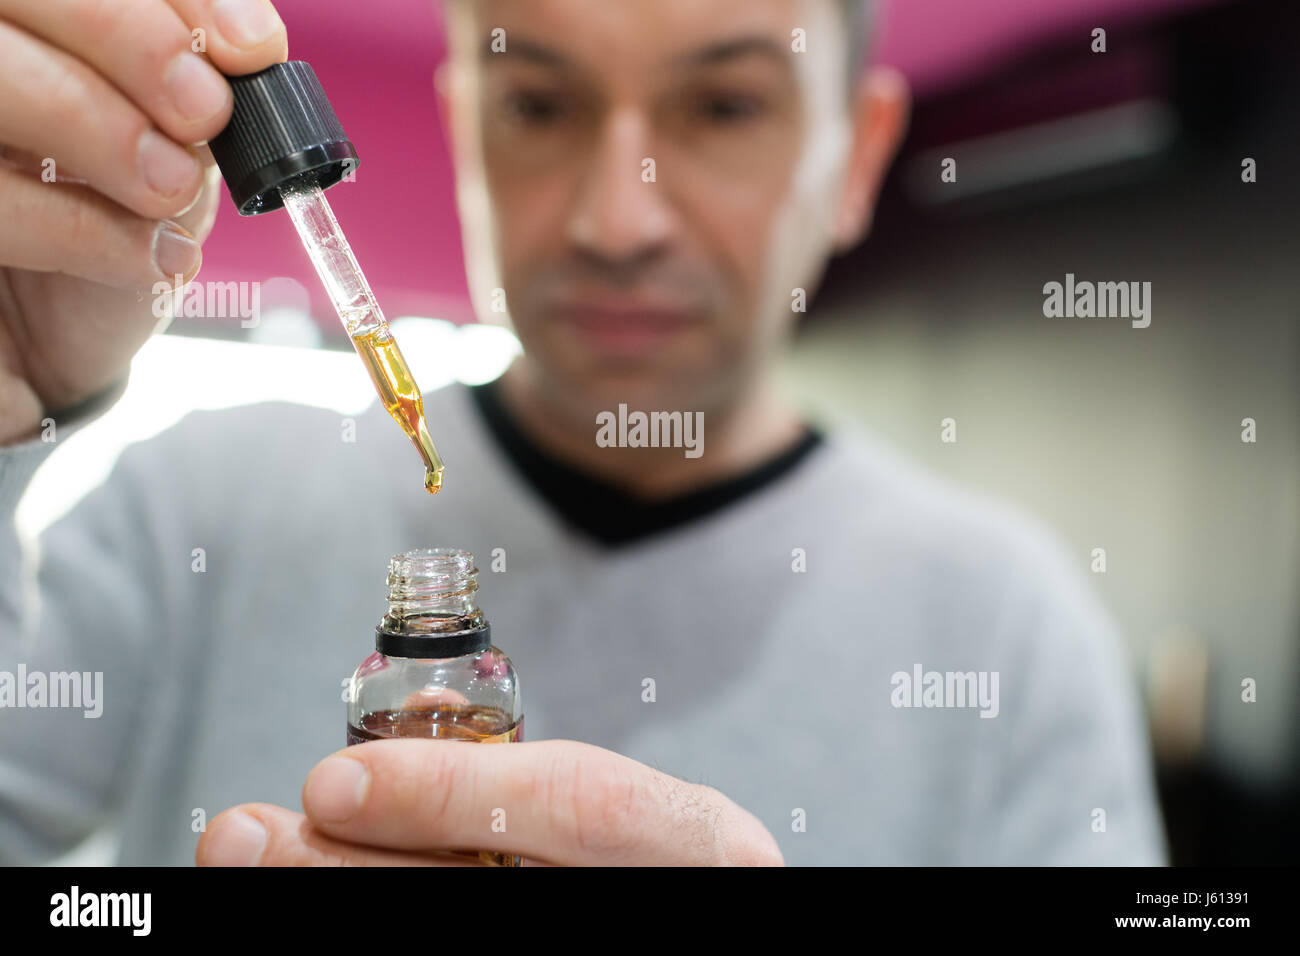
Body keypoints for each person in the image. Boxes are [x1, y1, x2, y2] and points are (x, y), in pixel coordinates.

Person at [0, 0, 1167, 866]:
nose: (618, 218)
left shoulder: (1007, 627)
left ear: (855, 154)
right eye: (541, 104)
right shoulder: (188, 508)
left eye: (724, 105)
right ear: (466, 130)